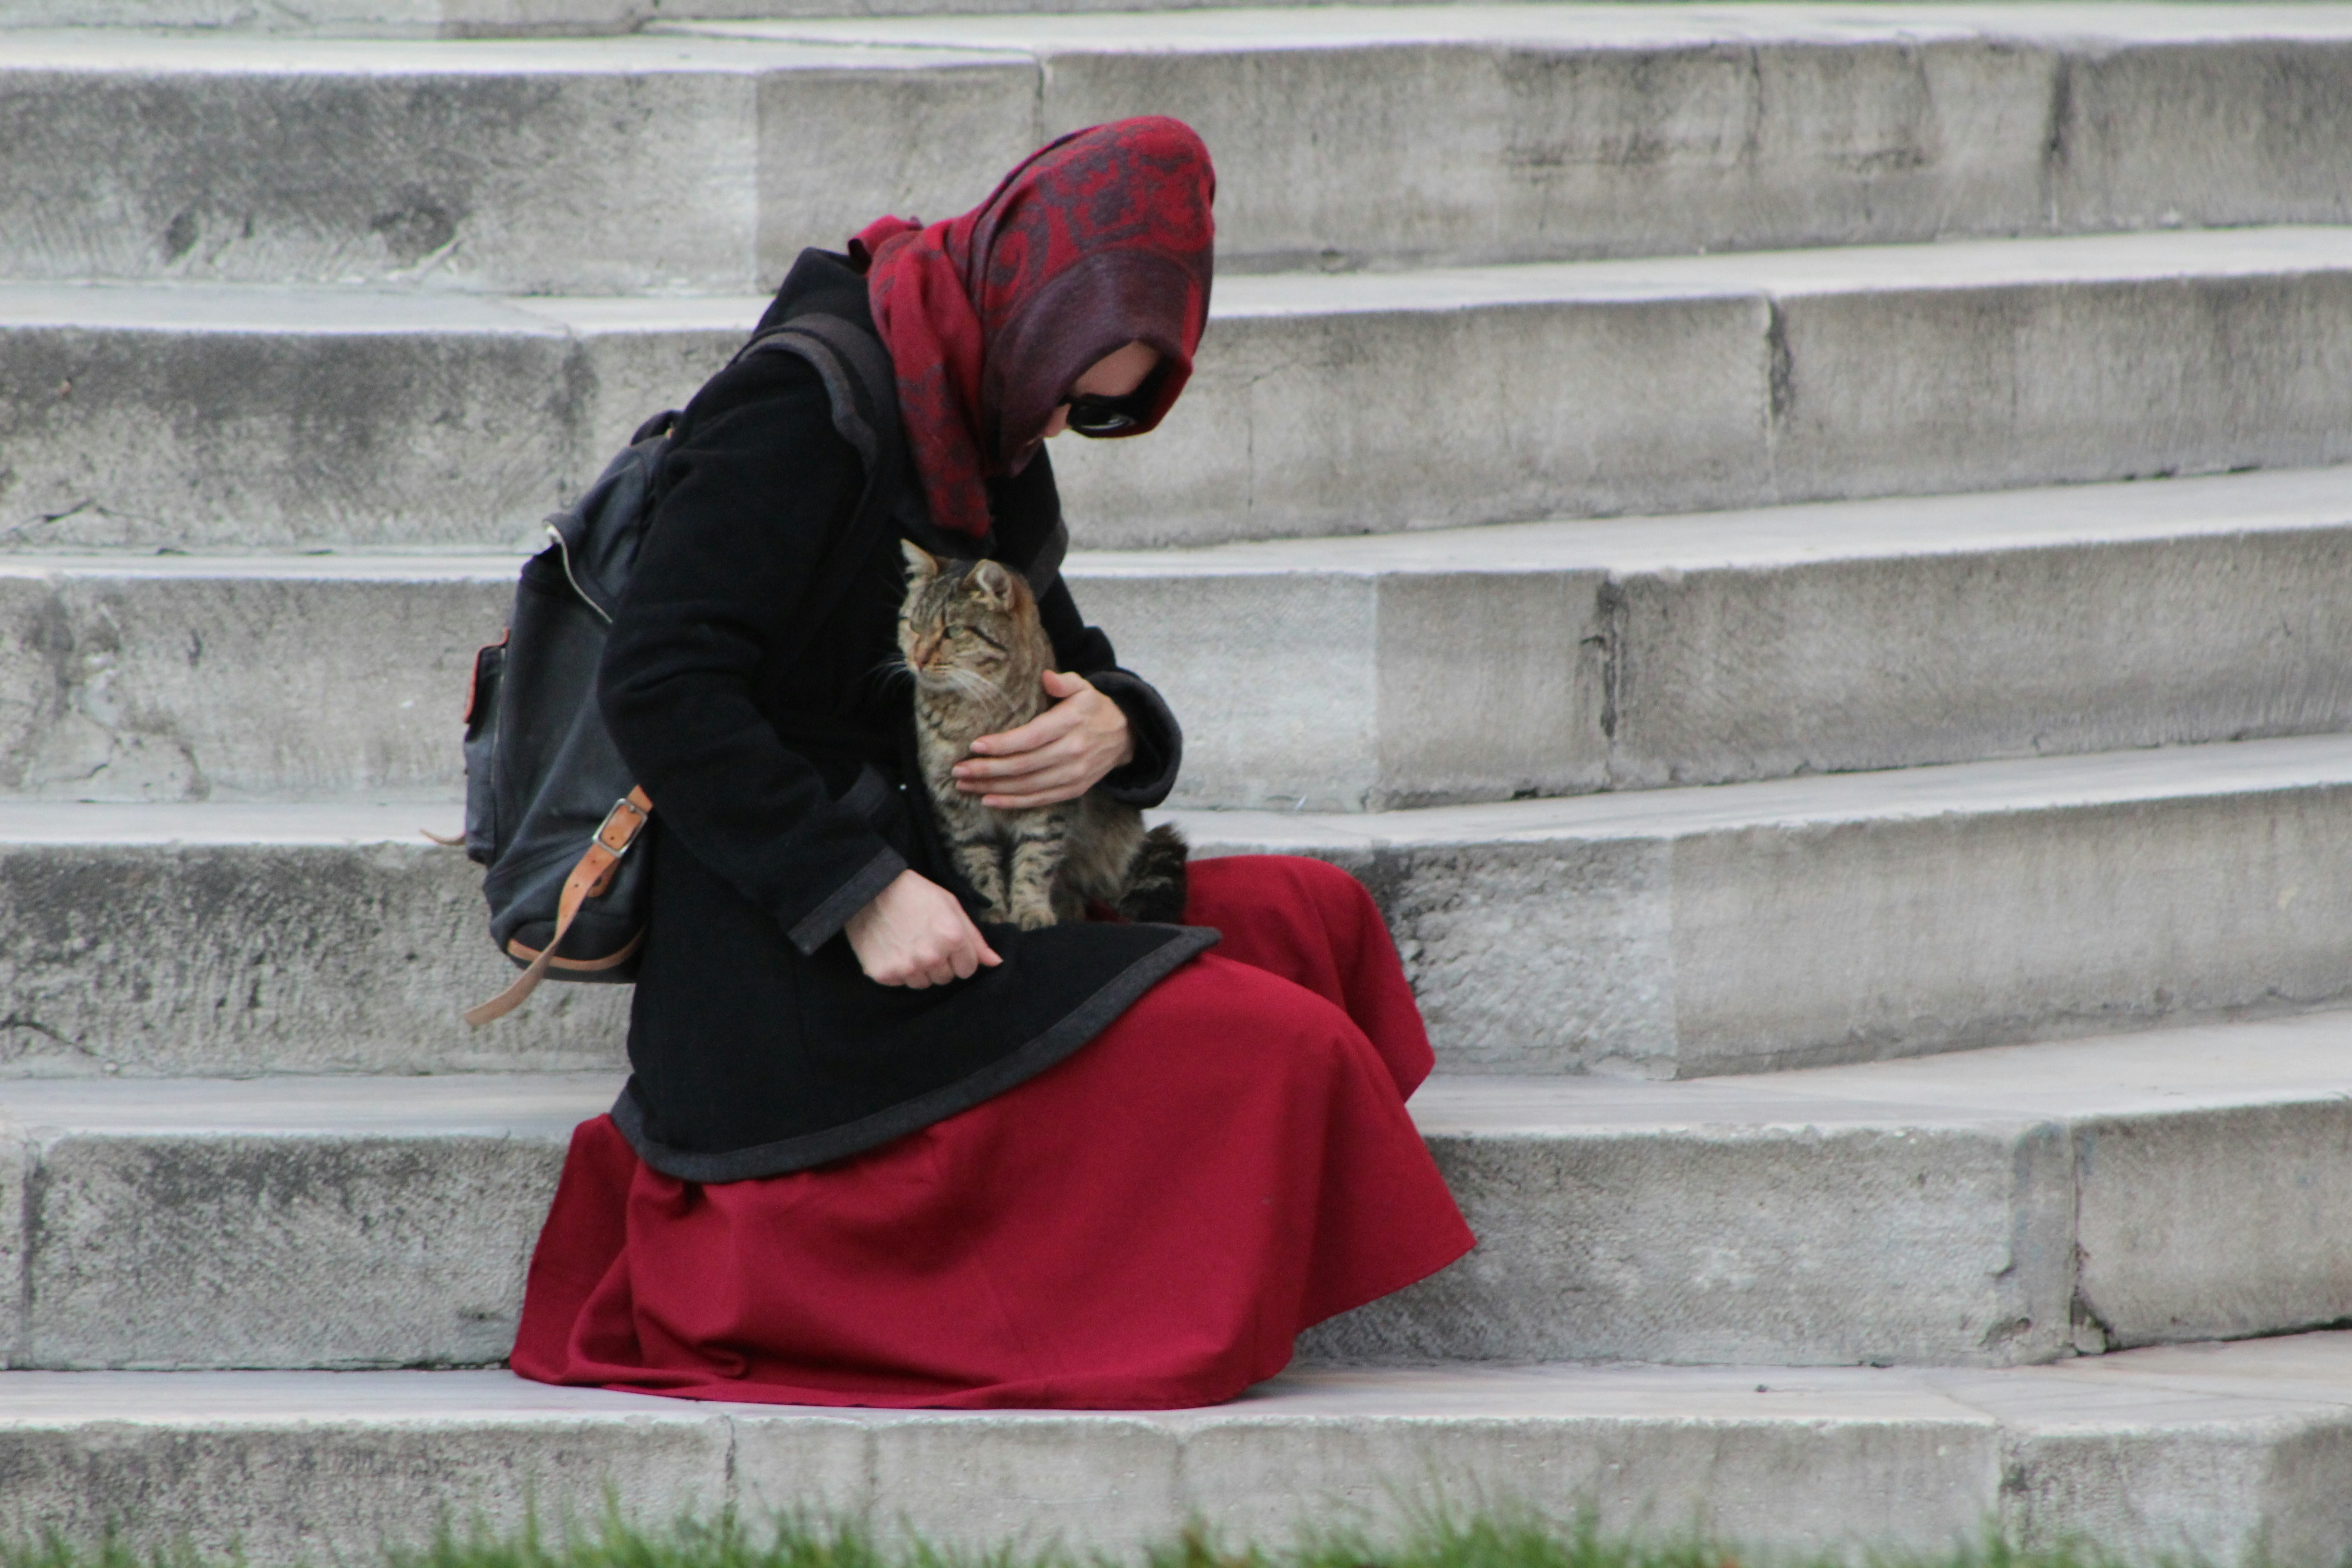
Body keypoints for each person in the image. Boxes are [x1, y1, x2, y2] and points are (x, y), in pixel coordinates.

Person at [510, 116, 1473, 1410]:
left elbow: (1069, 651)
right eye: (1081, 386)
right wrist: (855, 891)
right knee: (1283, 1049)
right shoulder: (802, 404)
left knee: (1318, 919)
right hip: (798, 954)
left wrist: (1121, 723)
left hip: (966, 878)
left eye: (1115, 407)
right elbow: (663, 683)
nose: (1078, 420)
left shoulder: (984, 415)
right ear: (1034, 302)